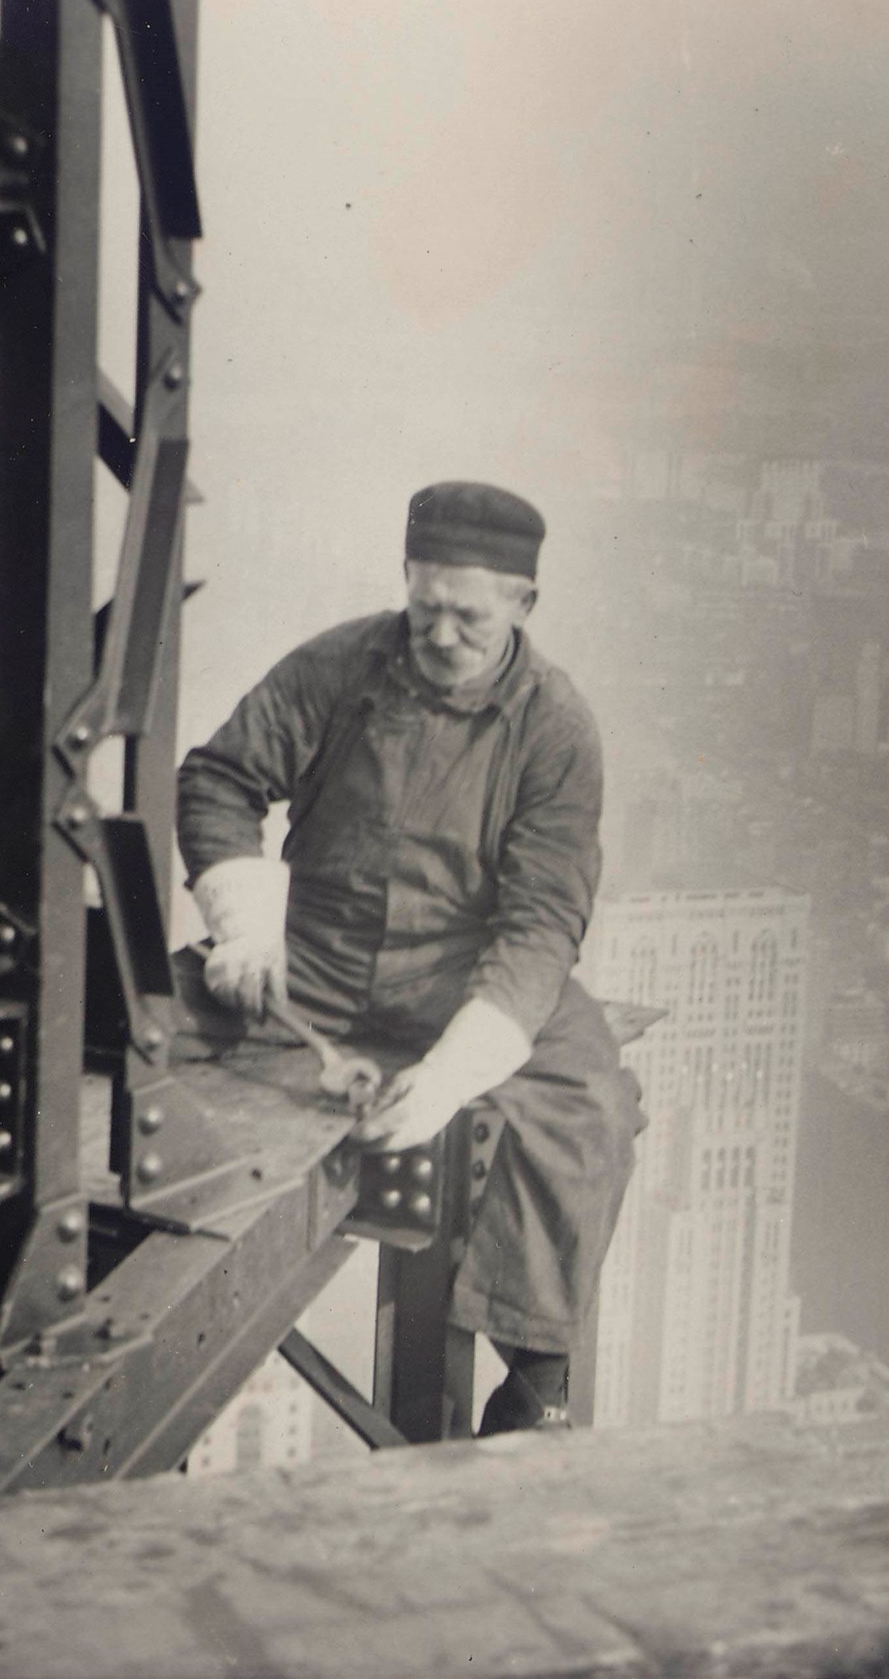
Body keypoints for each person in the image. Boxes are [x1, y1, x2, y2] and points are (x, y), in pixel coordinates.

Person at [176, 480, 640, 1434]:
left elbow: (543, 919)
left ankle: (538, 1375)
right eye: (424, 607)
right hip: (311, 959)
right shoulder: (340, 664)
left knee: (588, 1096)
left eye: (467, 616)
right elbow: (221, 776)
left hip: (456, 980)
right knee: (133, 1017)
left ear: (522, 606)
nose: (439, 635)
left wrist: (450, 1073)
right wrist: (242, 922)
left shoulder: (555, 728)